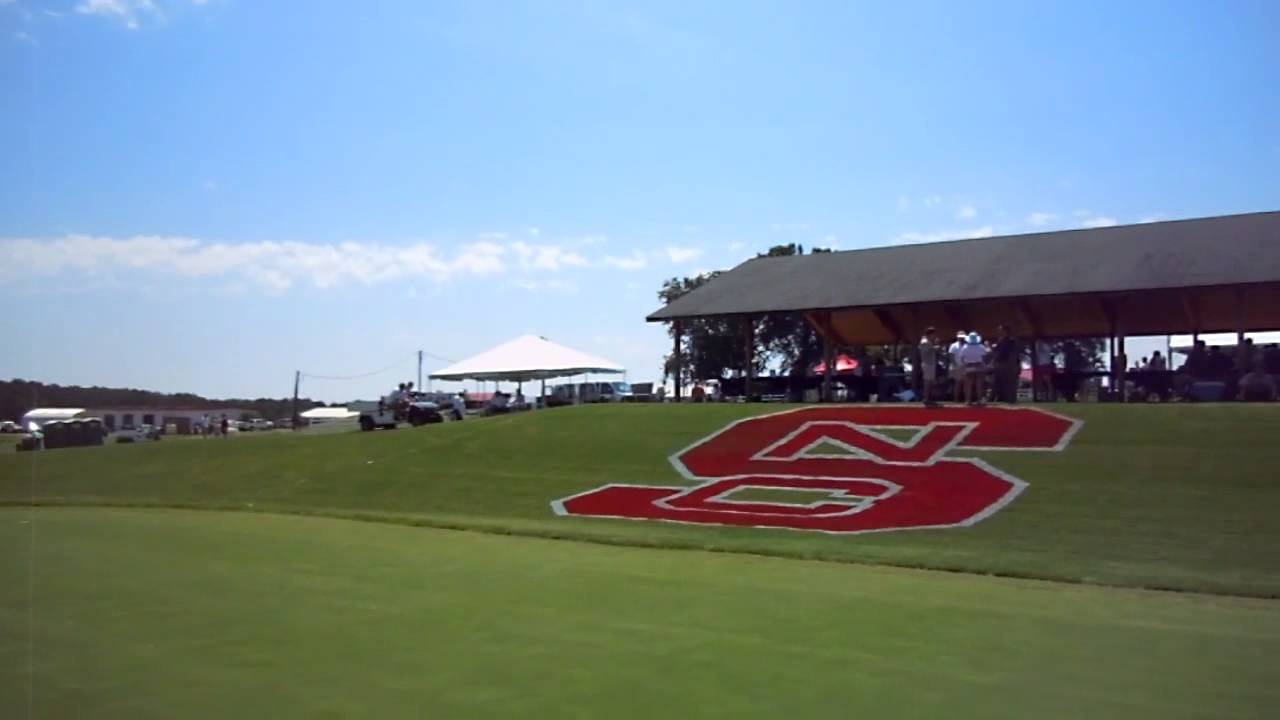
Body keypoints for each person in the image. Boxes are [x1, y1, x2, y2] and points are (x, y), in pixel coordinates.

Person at [992, 325, 1020, 403]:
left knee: (1009, 382)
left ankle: (1011, 399)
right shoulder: (998, 341)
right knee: (998, 381)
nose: (999, 332)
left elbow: (1012, 353)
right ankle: (1000, 398)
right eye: (999, 330)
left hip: (1007, 363)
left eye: (1001, 330)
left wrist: (1013, 364)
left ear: (1006, 331)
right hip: (999, 363)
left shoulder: (1011, 341)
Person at [960, 332, 988, 406]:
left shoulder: (965, 347)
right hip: (978, 366)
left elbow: (962, 357)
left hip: (969, 366)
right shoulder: (981, 347)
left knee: (968, 385)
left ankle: (968, 400)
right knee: (979, 384)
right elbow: (984, 357)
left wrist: (965, 364)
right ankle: (979, 400)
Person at [918, 327, 940, 407]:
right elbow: (926, 352)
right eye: (934, 334)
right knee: (927, 382)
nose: (934, 336)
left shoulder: (928, 342)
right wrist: (935, 346)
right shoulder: (925, 342)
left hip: (930, 364)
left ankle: (929, 399)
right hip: (927, 364)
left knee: (930, 382)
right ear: (930, 334)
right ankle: (926, 399)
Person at [948, 331, 967, 402]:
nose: (961, 338)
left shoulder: (966, 345)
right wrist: (956, 365)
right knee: (957, 384)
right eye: (960, 337)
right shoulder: (953, 345)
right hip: (956, 367)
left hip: (965, 367)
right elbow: (951, 356)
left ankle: (966, 399)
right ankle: (956, 399)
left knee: (965, 384)